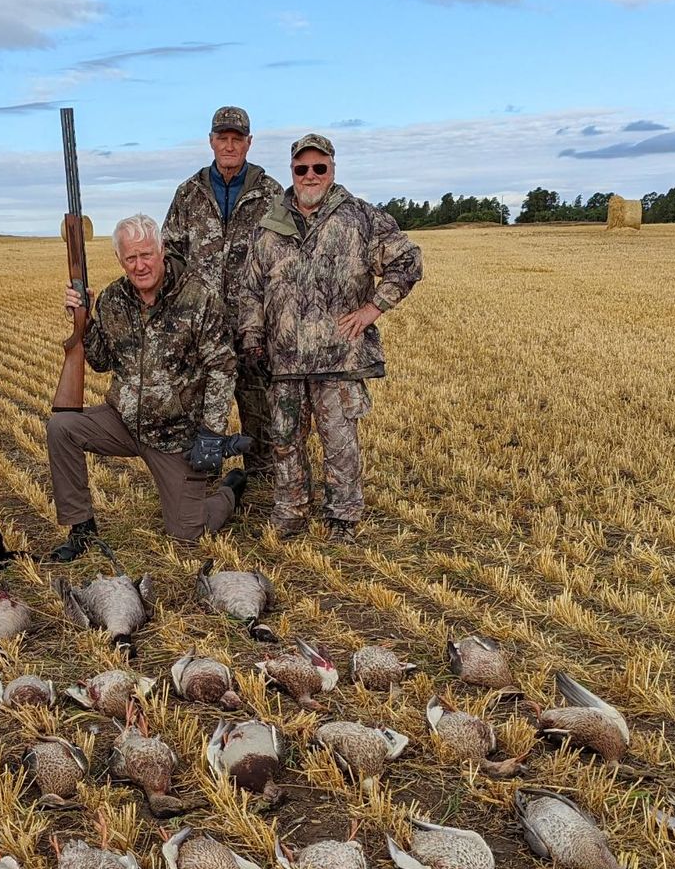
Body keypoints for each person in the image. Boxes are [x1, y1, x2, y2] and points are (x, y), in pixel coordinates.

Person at [238, 133, 422, 541]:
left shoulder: (360, 218)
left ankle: (343, 516)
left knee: (339, 442)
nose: (310, 175)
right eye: (302, 168)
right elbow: (249, 288)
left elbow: (409, 260)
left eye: (319, 167)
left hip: (338, 357)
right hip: (283, 358)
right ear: (292, 172)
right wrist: (252, 337)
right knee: (284, 441)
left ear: (332, 169)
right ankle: (291, 511)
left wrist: (373, 308)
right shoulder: (268, 225)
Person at [47, 214, 248, 557]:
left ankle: (229, 490)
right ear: (119, 260)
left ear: (161, 250)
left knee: (187, 534)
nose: (140, 265)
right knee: (61, 426)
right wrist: (82, 320)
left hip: (176, 435)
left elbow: (223, 367)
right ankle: (81, 528)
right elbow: (100, 360)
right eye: (131, 258)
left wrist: (212, 434)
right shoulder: (112, 300)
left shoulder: (198, 296)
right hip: (123, 422)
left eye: (146, 255)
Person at [161, 105, 284, 477]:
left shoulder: (271, 193)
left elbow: (286, 258)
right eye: (222, 138)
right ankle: (198, 476)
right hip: (202, 326)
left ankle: (261, 479)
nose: (229, 145)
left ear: (249, 143)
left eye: (237, 139)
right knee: (197, 404)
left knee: (259, 404)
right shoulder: (188, 193)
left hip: (254, 324)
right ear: (211, 141)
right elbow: (171, 255)